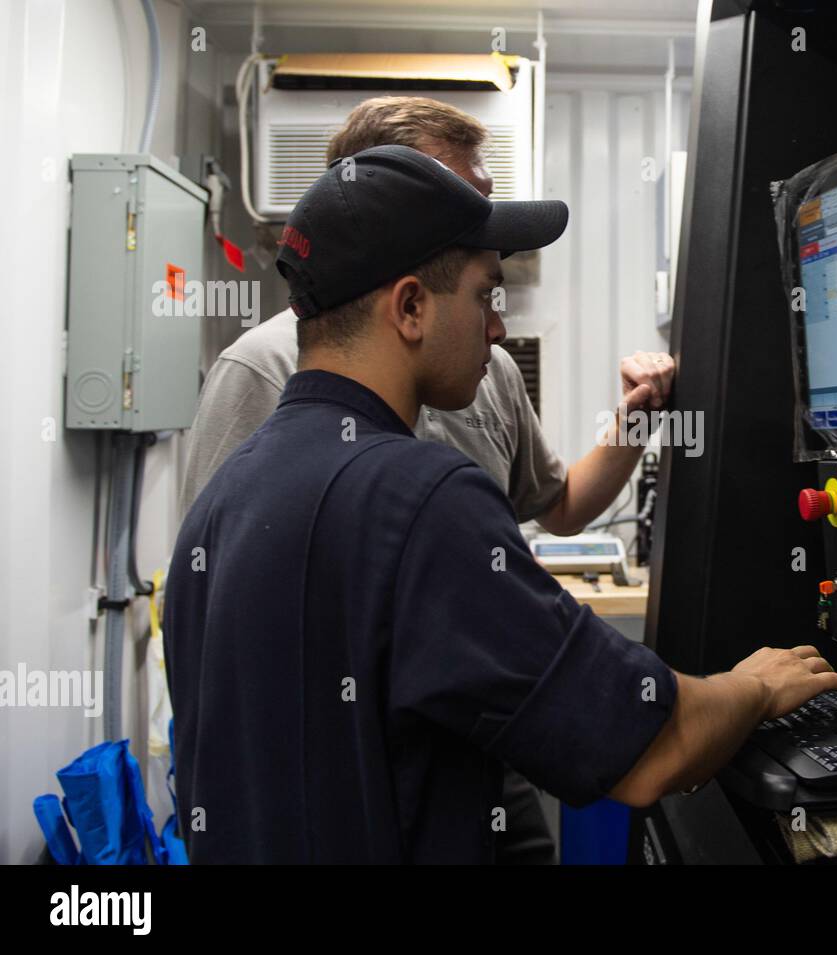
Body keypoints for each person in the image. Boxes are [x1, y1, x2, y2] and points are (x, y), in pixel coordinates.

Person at [163, 145, 837, 863]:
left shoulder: (220, 503)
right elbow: (653, 746)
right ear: (409, 307)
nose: (497, 329)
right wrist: (751, 687)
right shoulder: (421, 499)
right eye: (486, 294)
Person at [178, 97, 673, 863]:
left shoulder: (487, 367)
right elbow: (220, 597)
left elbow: (559, 504)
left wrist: (636, 423)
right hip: (332, 768)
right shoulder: (265, 369)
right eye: (460, 194)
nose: (481, 216)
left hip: (472, 740)